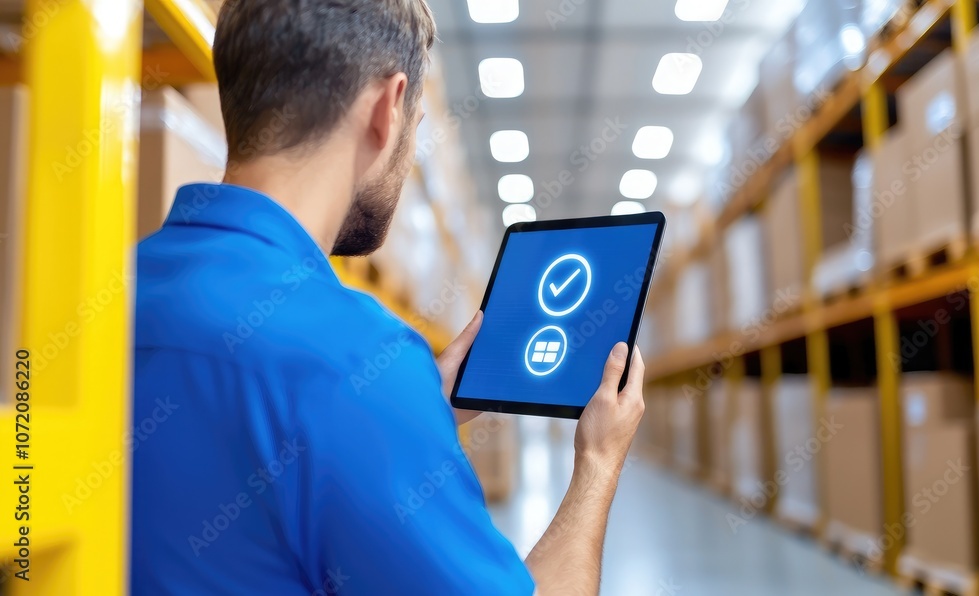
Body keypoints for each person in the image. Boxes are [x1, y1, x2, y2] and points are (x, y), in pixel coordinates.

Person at [130, 1, 645, 594]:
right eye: (417, 126)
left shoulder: (102, 296)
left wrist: (417, 411)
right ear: (387, 107)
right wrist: (598, 465)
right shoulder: (353, 360)